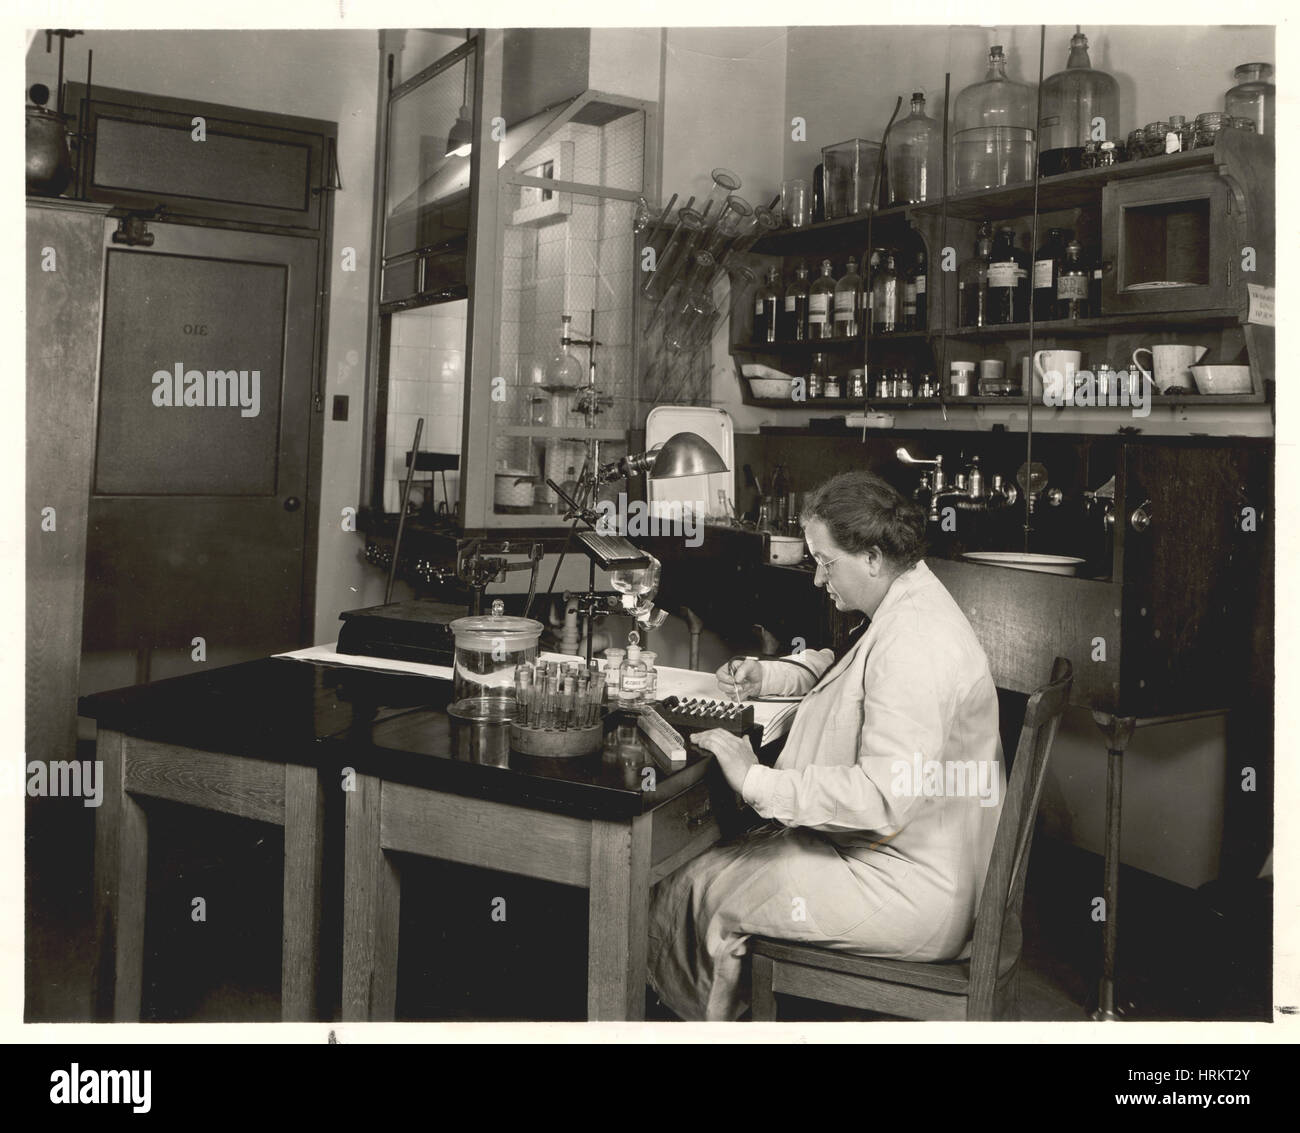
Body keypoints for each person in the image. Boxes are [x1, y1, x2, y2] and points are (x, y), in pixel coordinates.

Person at [646, 469, 1004, 1021]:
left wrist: (755, 778)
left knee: (699, 885)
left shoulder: (915, 644)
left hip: (914, 893)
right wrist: (770, 676)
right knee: (717, 868)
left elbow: (882, 797)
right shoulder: (910, 600)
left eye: (826, 562)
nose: (817, 579)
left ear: (873, 557)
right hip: (920, 862)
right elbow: (841, 671)